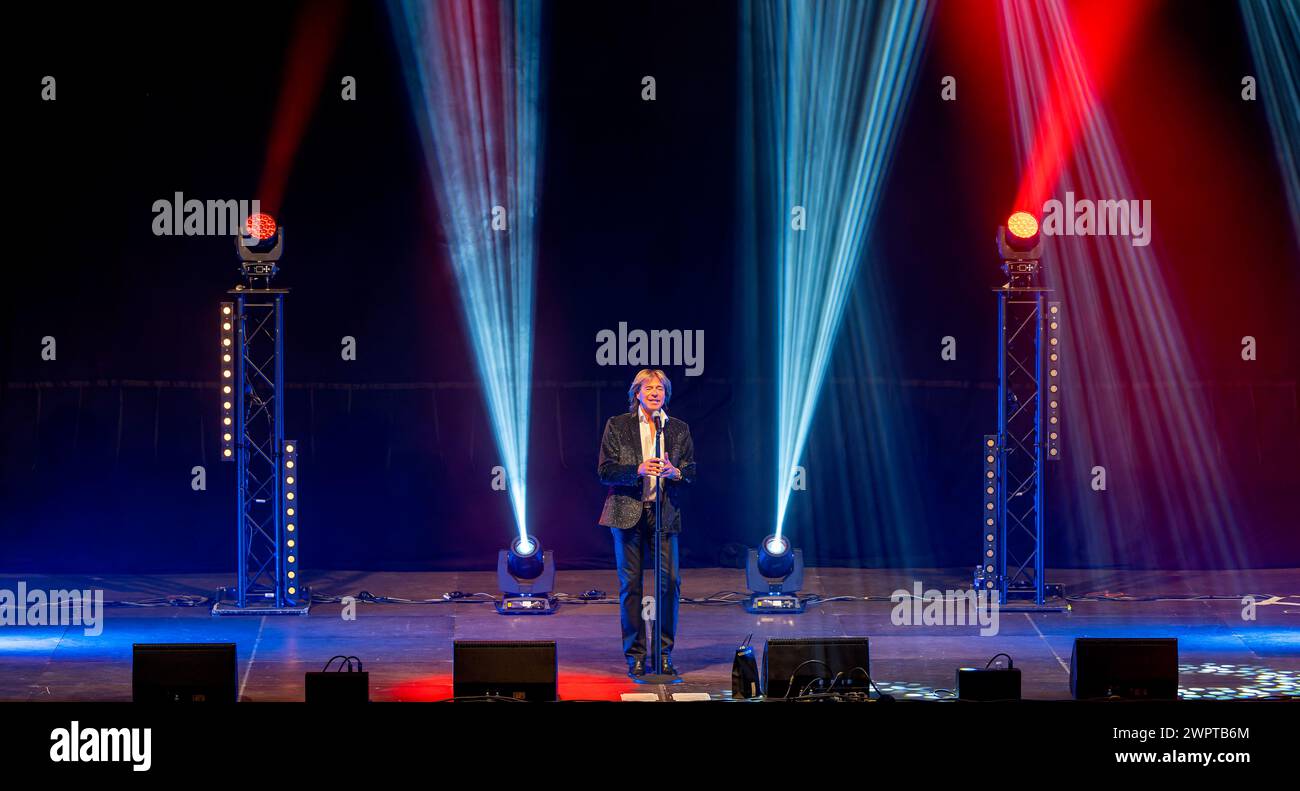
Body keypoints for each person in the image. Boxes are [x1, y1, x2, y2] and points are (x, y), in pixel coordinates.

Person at [597, 368, 696, 678]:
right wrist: (637, 470)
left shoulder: (677, 428)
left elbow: (691, 471)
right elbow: (605, 472)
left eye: (660, 388)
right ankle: (636, 656)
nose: (655, 393)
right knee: (631, 586)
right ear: (637, 393)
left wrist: (675, 472)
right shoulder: (618, 425)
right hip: (627, 513)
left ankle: (663, 654)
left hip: (664, 515)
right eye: (649, 387)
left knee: (670, 583)